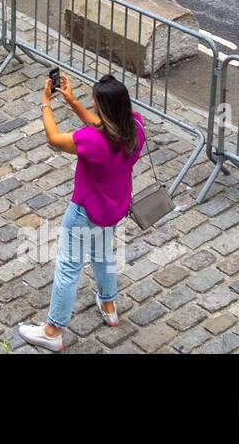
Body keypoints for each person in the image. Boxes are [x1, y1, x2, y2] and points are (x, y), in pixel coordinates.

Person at [18, 74, 145, 353]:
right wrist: (72, 101)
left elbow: (53, 138)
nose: (92, 104)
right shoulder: (135, 127)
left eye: (94, 102)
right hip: (115, 209)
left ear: (102, 108)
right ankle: (109, 304)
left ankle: (53, 330)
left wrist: (45, 103)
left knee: (68, 267)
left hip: (84, 212)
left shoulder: (92, 141)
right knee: (102, 253)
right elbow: (104, 126)